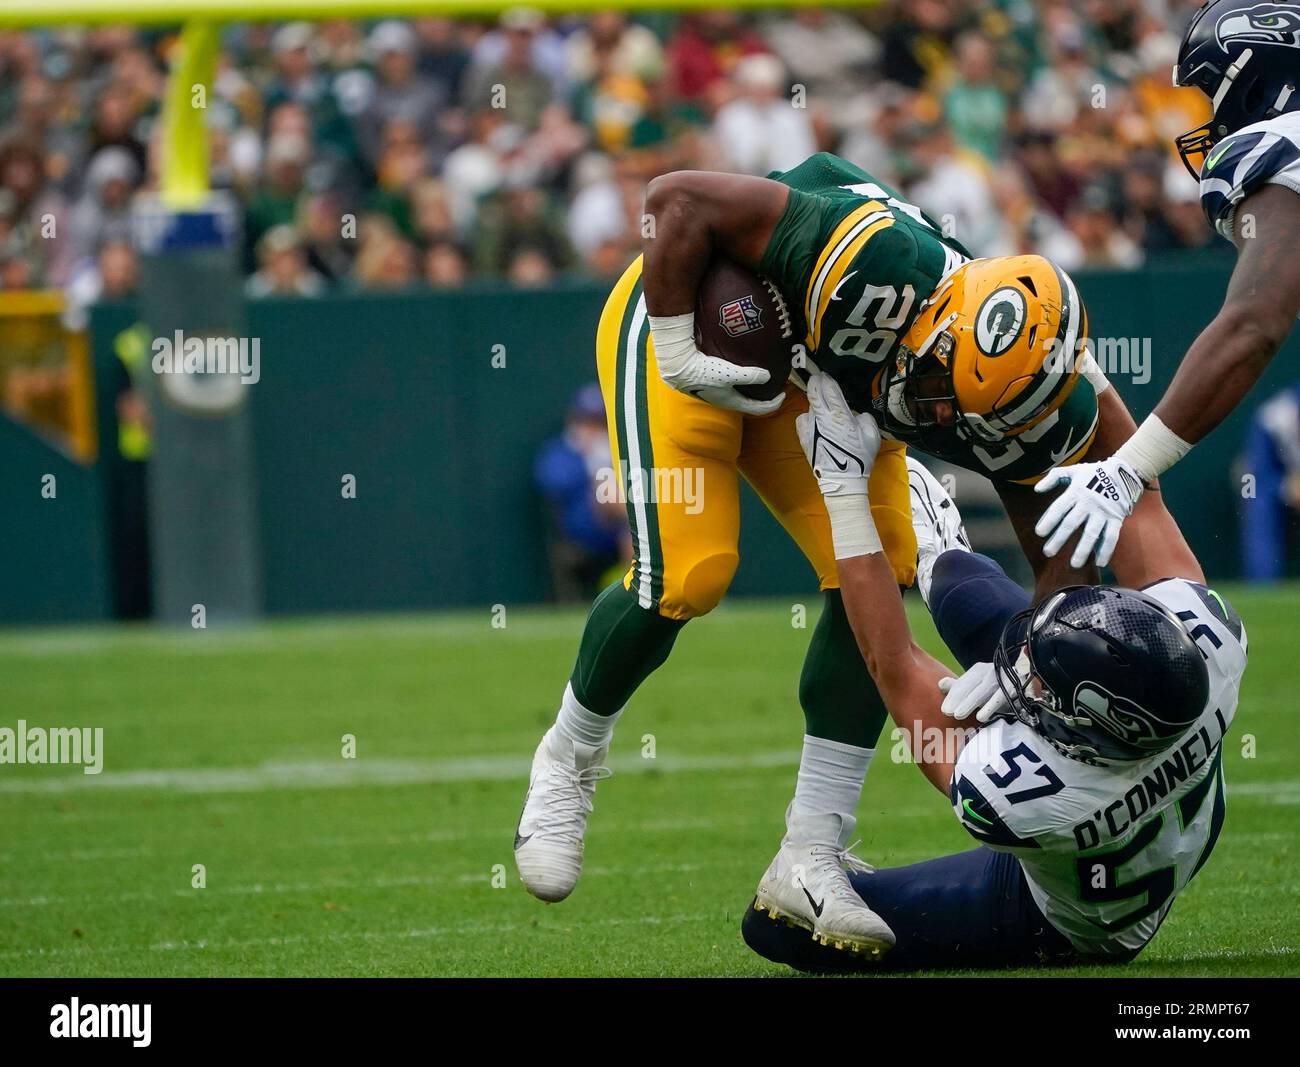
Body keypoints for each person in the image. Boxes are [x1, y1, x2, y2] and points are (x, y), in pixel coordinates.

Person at [513, 151, 1196, 957]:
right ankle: (569, 757)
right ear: (937, 329)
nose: (946, 418)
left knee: (880, 568)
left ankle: (812, 848)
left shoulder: (1019, 383)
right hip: (693, 317)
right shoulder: (866, 260)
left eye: (970, 414)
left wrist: (1027, 656)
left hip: (823, 384)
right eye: (949, 392)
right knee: (690, 573)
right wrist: (677, 347)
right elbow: (674, 199)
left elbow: (1049, 533)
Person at [742, 374, 1244, 970]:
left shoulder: (1019, 795)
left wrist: (846, 492)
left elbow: (891, 659)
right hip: (1164, 806)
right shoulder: (1206, 643)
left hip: (1075, 917)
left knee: (778, 930)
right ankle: (940, 549)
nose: (1023, 668)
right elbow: (1142, 493)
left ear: (1074, 732)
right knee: (962, 585)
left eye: (1036, 684)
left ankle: (934, 551)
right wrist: (1077, 367)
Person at [1032, 0, 1300, 570]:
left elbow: (1253, 325)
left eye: (1212, 92)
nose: (1209, 116)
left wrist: (1129, 468)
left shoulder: (1283, 143)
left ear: (1264, 80)